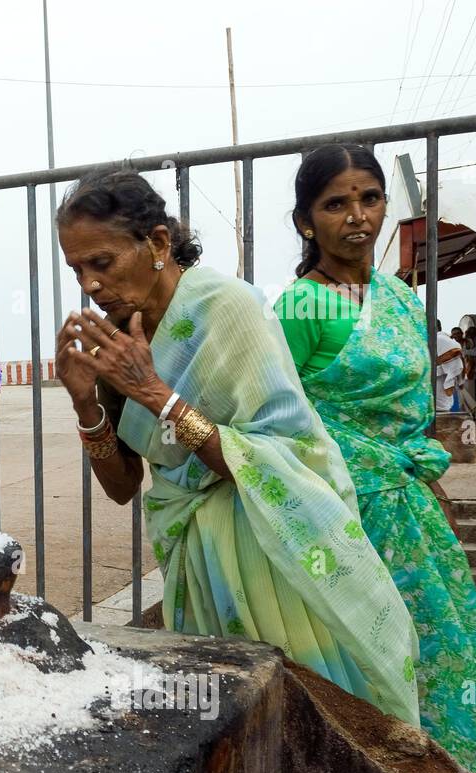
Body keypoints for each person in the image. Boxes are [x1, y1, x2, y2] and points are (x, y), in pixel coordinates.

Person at [54, 169, 421, 728]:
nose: (89, 284)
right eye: (76, 268)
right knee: (225, 723)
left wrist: (155, 393)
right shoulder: (119, 336)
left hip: (270, 548)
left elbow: (281, 454)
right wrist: (86, 404)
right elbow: (124, 486)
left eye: (100, 263)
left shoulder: (228, 307)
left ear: (156, 243)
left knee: (300, 715)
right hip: (196, 560)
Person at [275, 144, 476, 773]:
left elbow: (421, 418)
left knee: (444, 666)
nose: (357, 217)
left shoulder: (402, 302)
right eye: (336, 203)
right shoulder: (300, 310)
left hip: (412, 520)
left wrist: (429, 480)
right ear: (306, 221)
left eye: (370, 198)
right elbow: (271, 421)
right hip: (338, 518)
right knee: (364, 678)